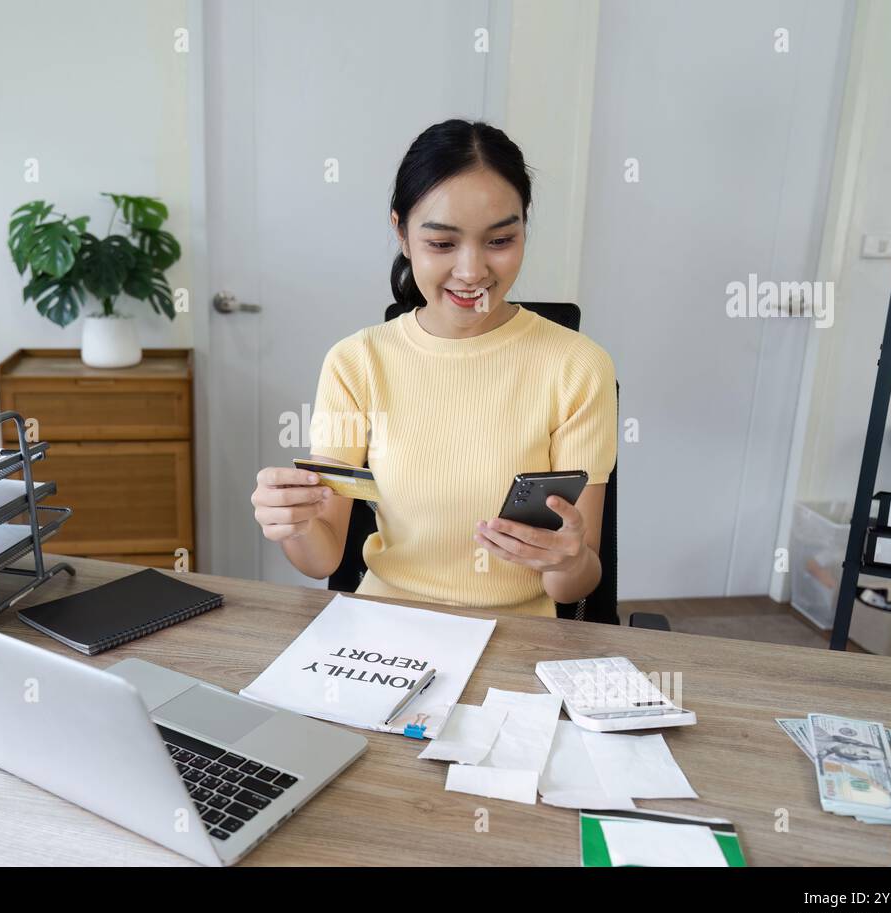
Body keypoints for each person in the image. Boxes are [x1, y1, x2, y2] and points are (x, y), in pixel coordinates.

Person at [251, 119, 617, 619]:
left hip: (519, 636)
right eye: (442, 244)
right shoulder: (355, 364)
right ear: (401, 233)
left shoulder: (577, 367)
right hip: (385, 630)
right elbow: (322, 558)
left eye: (500, 240)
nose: (471, 271)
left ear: (524, 228)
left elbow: (576, 585)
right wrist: (292, 524)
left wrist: (568, 558)